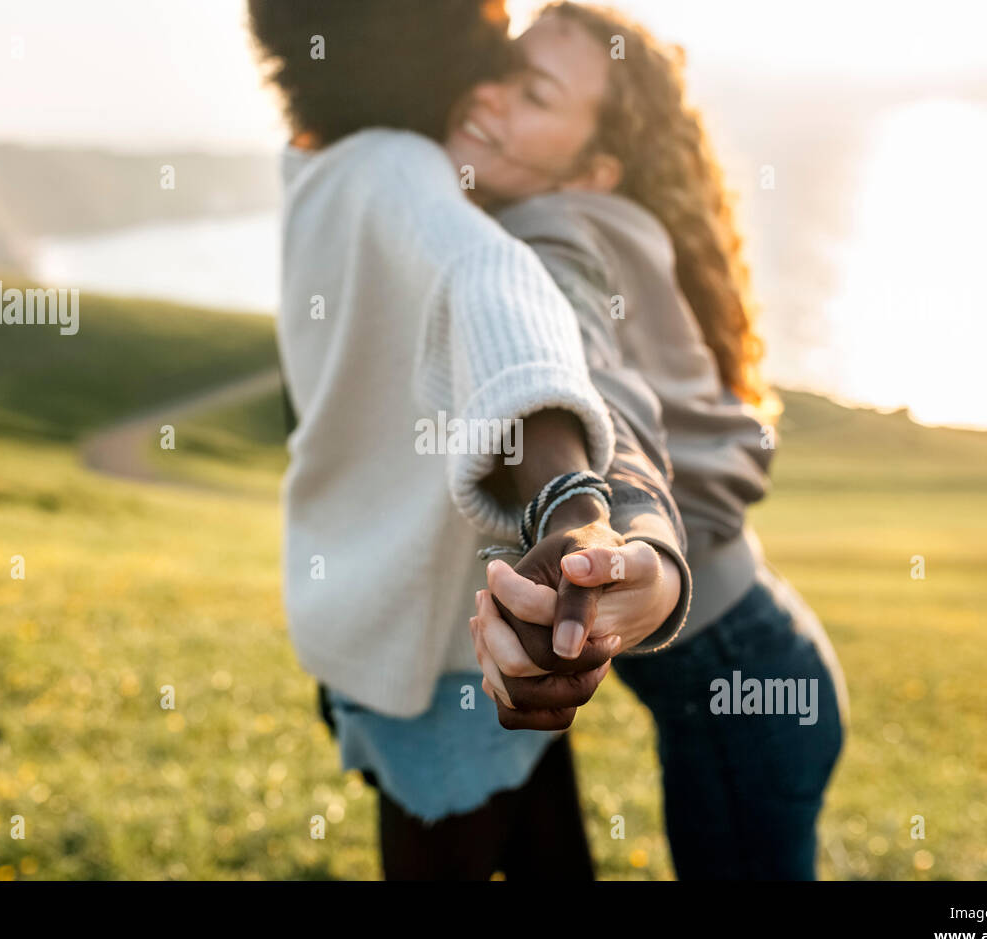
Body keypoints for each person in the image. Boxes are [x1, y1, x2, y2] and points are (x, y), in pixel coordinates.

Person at [248, 0, 691, 879]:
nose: (490, 87)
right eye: (488, 47)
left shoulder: (319, 164)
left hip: (413, 627)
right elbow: (493, 286)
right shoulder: (400, 169)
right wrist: (571, 499)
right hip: (446, 658)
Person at [459, 2, 849, 879]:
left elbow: (603, 394)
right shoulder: (606, 223)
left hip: (740, 692)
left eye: (532, 93)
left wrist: (614, 526)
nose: (486, 94)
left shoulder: (553, 234)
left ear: (594, 167)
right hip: (763, 660)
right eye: (502, 68)